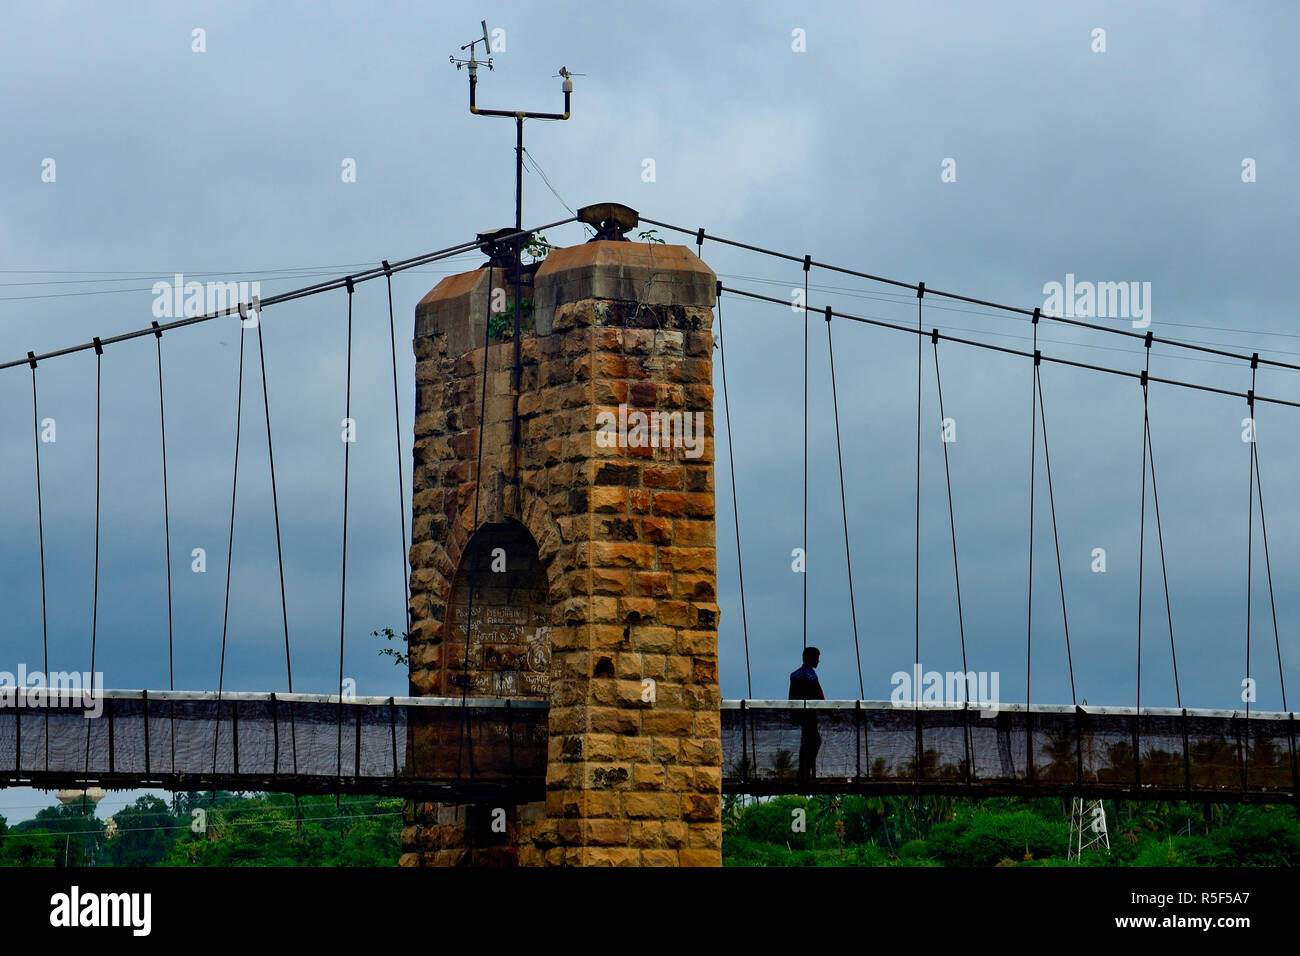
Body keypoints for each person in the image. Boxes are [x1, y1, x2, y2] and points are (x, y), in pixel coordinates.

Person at [788, 646, 824, 788]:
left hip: (799, 714)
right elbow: (820, 697)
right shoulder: (810, 675)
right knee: (814, 741)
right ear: (811, 659)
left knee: (806, 743)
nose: (818, 661)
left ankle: (803, 771)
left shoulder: (794, 675)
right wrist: (832, 714)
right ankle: (807, 771)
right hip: (809, 715)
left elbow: (791, 695)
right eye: (817, 658)